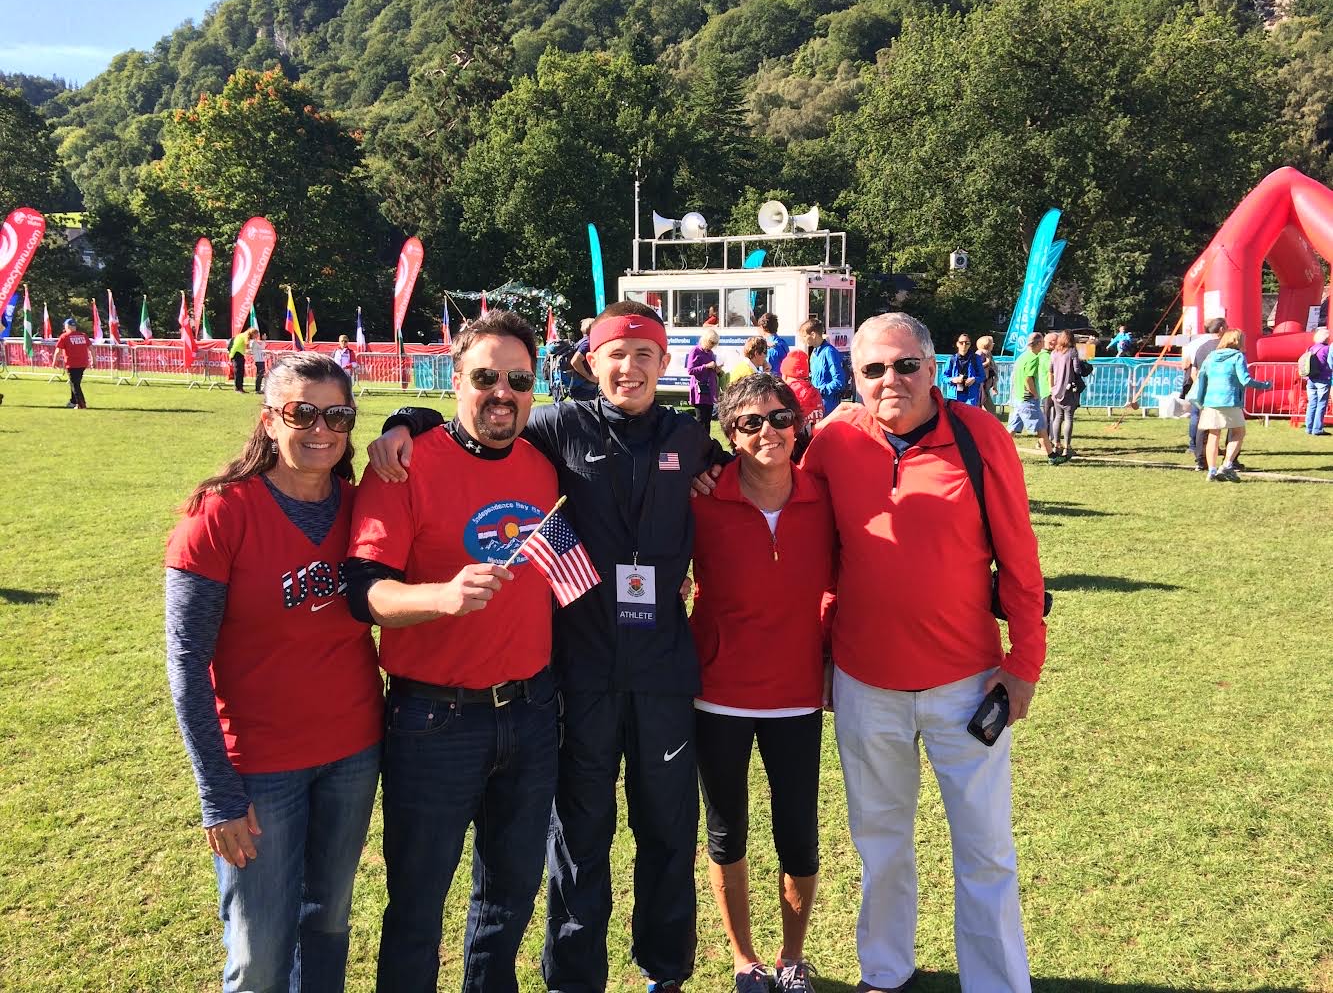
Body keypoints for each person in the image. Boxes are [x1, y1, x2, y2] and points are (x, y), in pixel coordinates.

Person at [368, 300, 726, 993]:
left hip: (661, 674)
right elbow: (473, 422)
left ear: (664, 362)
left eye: (645, 354)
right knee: (580, 839)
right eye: (615, 355)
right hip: (581, 673)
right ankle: (573, 979)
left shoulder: (690, 437)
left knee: (667, 831)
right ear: (590, 363)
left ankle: (665, 970)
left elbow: (752, 463)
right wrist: (400, 422)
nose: (630, 367)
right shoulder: (554, 427)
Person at [801, 312, 1046, 993]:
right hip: (862, 681)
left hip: (965, 684)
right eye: (873, 369)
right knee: (879, 846)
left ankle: (996, 983)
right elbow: (819, 558)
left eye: (904, 365)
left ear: (932, 369)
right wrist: (822, 654)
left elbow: (1020, 561)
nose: (890, 380)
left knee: (985, 850)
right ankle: (885, 970)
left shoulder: (978, 436)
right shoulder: (832, 441)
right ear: (852, 377)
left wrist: (1023, 663)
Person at [345, 313, 561, 992]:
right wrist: (439, 597)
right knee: (416, 904)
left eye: (519, 380)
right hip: (434, 724)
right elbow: (365, 593)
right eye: (485, 378)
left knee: (509, 898)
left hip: (530, 716)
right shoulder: (404, 464)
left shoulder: (543, 464)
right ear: (455, 378)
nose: (503, 393)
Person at [164, 353, 384, 993]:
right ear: (268, 420)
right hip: (259, 766)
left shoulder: (360, 505)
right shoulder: (220, 513)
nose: (322, 428)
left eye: (337, 414)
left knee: (328, 924)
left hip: (353, 751)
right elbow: (185, 662)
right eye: (301, 413)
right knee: (259, 951)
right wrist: (217, 793)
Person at [689, 372, 835, 993]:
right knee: (726, 830)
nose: (769, 430)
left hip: (798, 692)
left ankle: (791, 958)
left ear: (797, 423)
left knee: (797, 833)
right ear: (731, 434)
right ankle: (746, 960)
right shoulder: (698, 498)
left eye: (779, 417)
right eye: (751, 422)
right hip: (717, 690)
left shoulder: (826, 497)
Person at [1188, 328, 1273, 482]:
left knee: (1214, 435)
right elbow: (1245, 380)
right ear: (1238, 341)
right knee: (1239, 432)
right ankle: (1227, 465)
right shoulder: (1238, 356)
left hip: (1211, 401)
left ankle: (1211, 470)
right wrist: (1265, 385)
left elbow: (1202, 377)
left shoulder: (1211, 356)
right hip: (1230, 400)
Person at [1008, 332, 1058, 463]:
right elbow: (1028, 378)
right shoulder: (1033, 358)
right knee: (1041, 427)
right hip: (1027, 399)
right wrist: (1035, 393)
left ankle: (994, 452)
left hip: (1018, 397)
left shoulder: (1022, 357)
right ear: (1039, 343)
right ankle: (1052, 456)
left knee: (1012, 429)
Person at [1182, 319, 1226, 469]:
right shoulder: (1224, 347)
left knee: (1201, 422)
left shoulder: (1198, 345)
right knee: (1227, 427)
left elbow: (1191, 369)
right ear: (1221, 329)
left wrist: (1199, 387)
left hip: (1202, 390)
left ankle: (1199, 457)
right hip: (1220, 393)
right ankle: (1230, 461)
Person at [1048, 331, 1085, 460]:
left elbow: (1050, 371)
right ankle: (1066, 447)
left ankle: (1056, 445)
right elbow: (1077, 370)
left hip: (1056, 389)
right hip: (1069, 389)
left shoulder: (1054, 353)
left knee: (1058, 417)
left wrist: (1051, 388)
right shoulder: (1072, 351)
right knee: (1068, 417)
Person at [801, 319, 848, 417]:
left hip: (828, 406)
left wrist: (820, 390)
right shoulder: (814, 353)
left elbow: (839, 382)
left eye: (804, 336)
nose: (803, 340)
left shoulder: (829, 352)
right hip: (815, 405)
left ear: (813, 335)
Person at [687, 327, 722, 430]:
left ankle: (706, 444)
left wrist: (717, 369)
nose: (712, 346)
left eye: (714, 344)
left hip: (710, 391)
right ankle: (698, 443)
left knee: (707, 422)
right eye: (711, 342)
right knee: (700, 421)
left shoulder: (711, 353)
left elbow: (712, 369)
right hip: (700, 391)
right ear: (706, 340)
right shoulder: (695, 351)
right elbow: (690, 370)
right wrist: (706, 366)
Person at [780, 351, 825, 428]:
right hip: (818, 438)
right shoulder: (815, 392)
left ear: (785, 375)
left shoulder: (787, 394)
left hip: (798, 438)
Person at [53, 316, 90, 409]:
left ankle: (81, 404)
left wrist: (54, 362)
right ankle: (73, 401)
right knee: (75, 383)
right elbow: (91, 348)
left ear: (67, 326)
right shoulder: (83, 335)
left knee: (75, 384)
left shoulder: (65, 336)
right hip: (83, 363)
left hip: (72, 363)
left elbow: (58, 351)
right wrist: (94, 359)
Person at [1303, 326, 1330, 435]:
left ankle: (1309, 428)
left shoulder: (1311, 348)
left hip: (1311, 379)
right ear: (1326, 338)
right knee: (1321, 404)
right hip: (1323, 379)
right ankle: (1317, 429)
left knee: (1312, 403)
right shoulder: (1327, 349)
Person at [945, 334, 986, 406]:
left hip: (971, 397)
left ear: (970, 345)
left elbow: (982, 376)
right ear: (957, 344)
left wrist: (974, 379)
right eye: (961, 343)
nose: (964, 345)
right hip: (955, 396)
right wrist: (953, 379)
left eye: (967, 343)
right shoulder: (951, 359)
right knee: (954, 416)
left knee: (969, 416)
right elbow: (943, 378)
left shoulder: (976, 358)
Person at [568, 316, 600, 400]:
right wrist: (588, 376)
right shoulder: (587, 343)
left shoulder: (581, 342)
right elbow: (575, 361)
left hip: (579, 384)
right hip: (585, 385)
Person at [975, 335, 999, 415]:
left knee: (989, 407)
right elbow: (976, 366)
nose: (993, 344)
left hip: (986, 384)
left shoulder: (988, 353)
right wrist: (987, 363)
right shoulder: (980, 353)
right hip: (981, 384)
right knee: (989, 408)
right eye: (992, 343)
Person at [1038, 331, 1056, 433]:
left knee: (1049, 416)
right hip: (1048, 389)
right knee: (1048, 416)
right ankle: (1045, 440)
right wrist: (1051, 388)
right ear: (1051, 342)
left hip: (1047, 388)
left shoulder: (1044, 354)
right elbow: (1051, 372)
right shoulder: (1046, 356)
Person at [228, 329, 253, 394]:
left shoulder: (243, 336)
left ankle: (240, 388)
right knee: (238, 372)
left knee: (241, 372)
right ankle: (237, 388)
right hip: (236, 354)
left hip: (240, 355)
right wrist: (231, 356)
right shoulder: (243, 336)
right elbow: (235, 347)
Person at [249, 327, 267, 393]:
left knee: (261, 374)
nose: (258, 335)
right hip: (258, 360)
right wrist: (263, 340)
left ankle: (258, 388)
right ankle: (257, 389)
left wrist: (263, 340)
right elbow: (261, 347)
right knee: (260, 374)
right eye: (256, 333)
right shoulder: (252, 342)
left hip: (260, 359)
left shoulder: (254, 342)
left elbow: (262, 347)